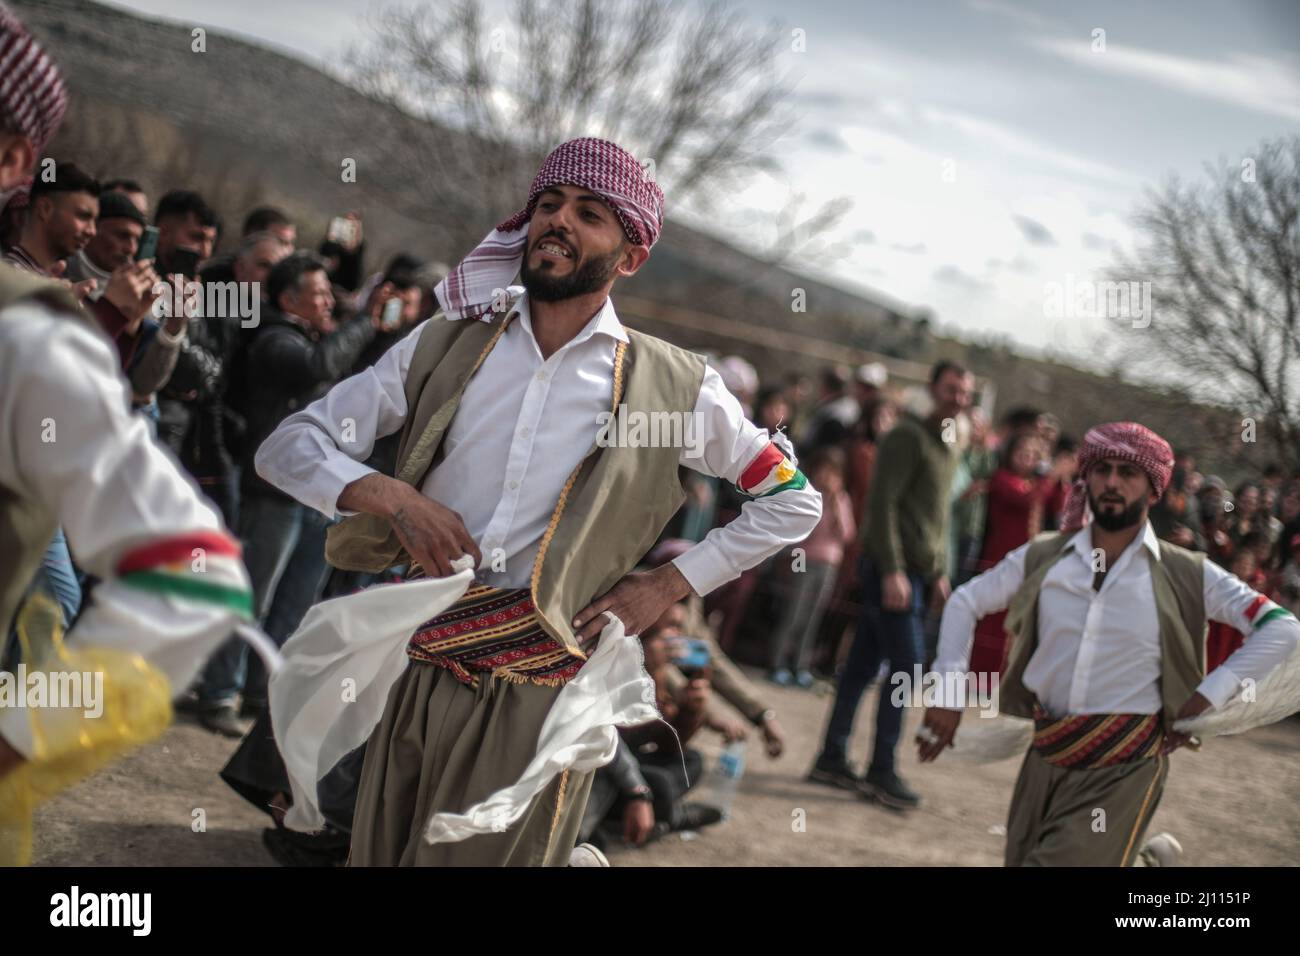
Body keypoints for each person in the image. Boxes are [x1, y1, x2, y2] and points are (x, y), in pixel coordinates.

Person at [254, 137, 822, 866]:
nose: (558, 221)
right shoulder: (449, 343)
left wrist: (668, 585)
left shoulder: (673, 386)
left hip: (544, 693)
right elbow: (288, 446)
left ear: (630, 255)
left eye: (589, 213)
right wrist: (392, 496)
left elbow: (793, 501)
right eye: (548, 205)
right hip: (419, 670)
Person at [0, 4, 256, 787]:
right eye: (86, 217)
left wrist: (13, 754)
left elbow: (194, 574)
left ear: (14, 160)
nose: (90, 230)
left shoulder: (26, 318)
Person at [920, 422, 1300, 866]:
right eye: (1102, 470)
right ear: (1086, 479)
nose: (1112, 482)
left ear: (1154, 490)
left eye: (1128, 472)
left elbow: (1281, 626)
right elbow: (964, 602)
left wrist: (1208, 695)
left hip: (1126, 766)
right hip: (1047, 755)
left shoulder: (1186, 573)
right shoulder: (1047, 557)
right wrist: (947, 693)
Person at [195, 252, 380, 735]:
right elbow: (315, 366)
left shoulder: (320, 339)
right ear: (288, 299)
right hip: (270, 494)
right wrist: (363, 320)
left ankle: (261, 690)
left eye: (327, 293)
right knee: (251, 598)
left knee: (295, 604)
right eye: (318, 292)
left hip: (317, 494)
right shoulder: (274, 339)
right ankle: (218, 692)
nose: (327, 301)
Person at [809, 360, 973, 809]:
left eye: (964, 392)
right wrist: (893, 570)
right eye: (951, 389)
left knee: (862, 666)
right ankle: (882, 769)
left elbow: (934, 516)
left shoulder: (948, 442)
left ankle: (831, 756)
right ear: (933, 388)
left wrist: (939, 570)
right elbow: (883, 505)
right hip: (892, 572)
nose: (957, 398)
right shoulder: (906, 436)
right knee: (907, 667)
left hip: (921, 574)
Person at [768, 446, 856, 687]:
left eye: (833, 472)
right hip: (804, 558)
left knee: (813, 617)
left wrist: (836, 503)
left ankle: (800, 666)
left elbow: (846, 534)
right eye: (824, 470)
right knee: (794, 611)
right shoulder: (807, 494)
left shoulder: (842, 499)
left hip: (829, 564)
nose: (828, 477)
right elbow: (802, 530)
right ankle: (778, 663)